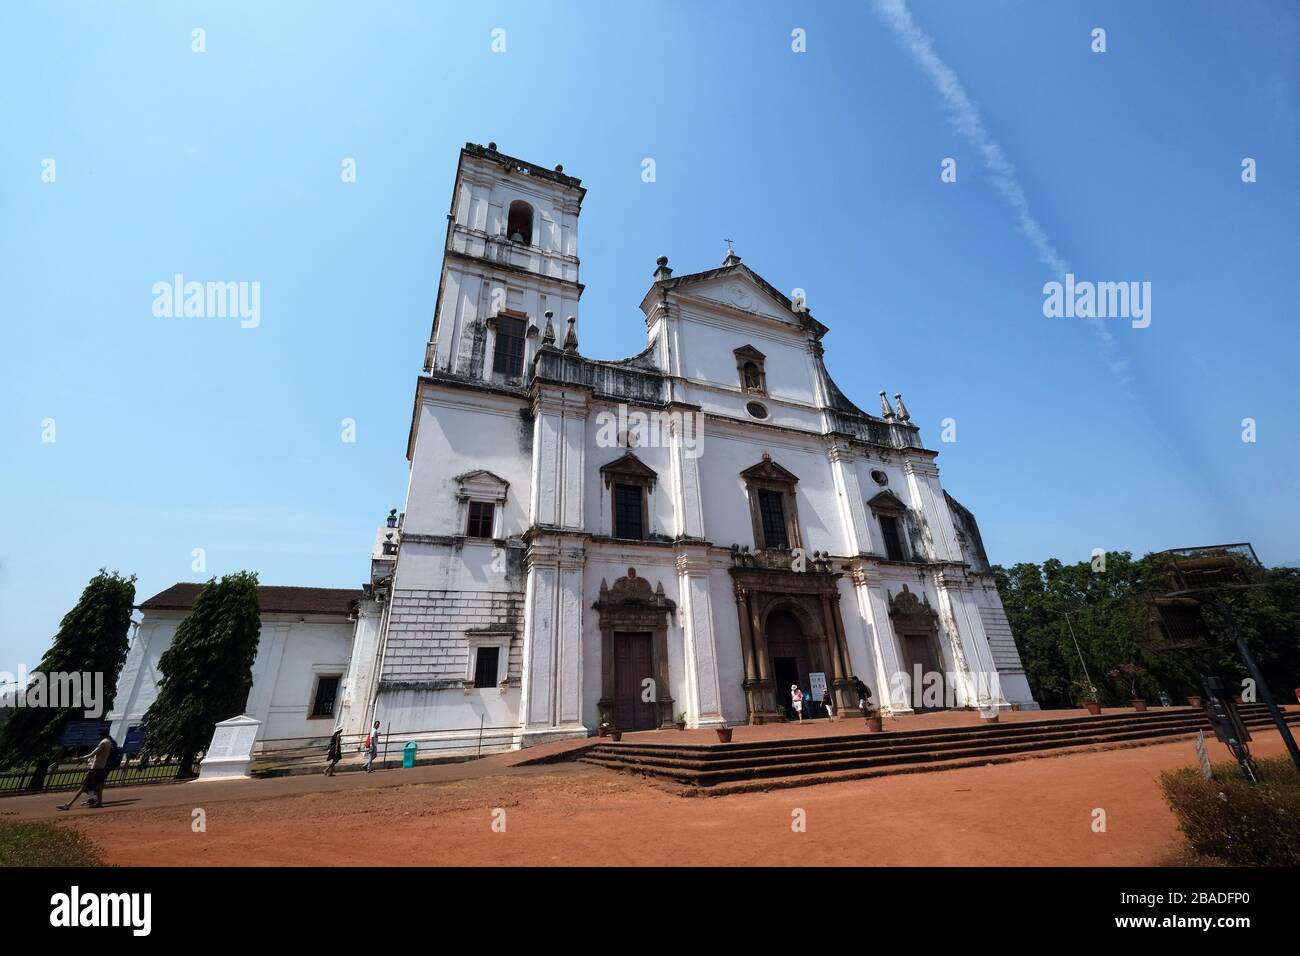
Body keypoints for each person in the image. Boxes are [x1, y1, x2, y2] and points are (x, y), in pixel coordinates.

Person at [57, 730, 114, 811]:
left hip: (95, 767)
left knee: (83, 787)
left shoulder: (103, 742)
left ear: (101, 735)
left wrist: (80, 758)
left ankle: (68, 804)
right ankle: (99, 802)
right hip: (102, 766)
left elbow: (92, 754)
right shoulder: (109, 742)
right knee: (99, 785)